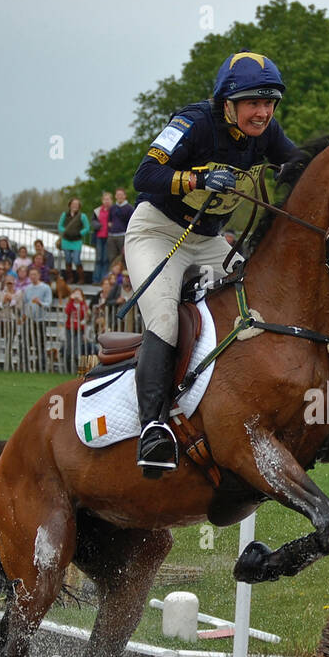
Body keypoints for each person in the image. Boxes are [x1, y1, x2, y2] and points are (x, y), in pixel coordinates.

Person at [126, 51, 302, 473]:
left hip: (207, 241)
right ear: (227, 102)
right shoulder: (193, 123)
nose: (262, 113)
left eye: (269, 103)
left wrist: (296, 171)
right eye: (252, 103)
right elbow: (144, 176)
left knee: (257, 298)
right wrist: (196, 178)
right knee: (165, 320)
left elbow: (299, 162)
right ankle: (153, 429)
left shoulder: (267, 132)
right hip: (157, 232)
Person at [92, 191, 111, 283]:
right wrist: (97, 225)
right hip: (99, 236)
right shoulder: (97, 210)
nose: (106, 201)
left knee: (106, 259)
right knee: (98, 259)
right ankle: (96, 279)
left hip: (108, 237)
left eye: (108, 199)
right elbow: (93, 221)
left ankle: (103, 280)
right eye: (105, 199)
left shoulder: (113, 210)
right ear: (102, 200)